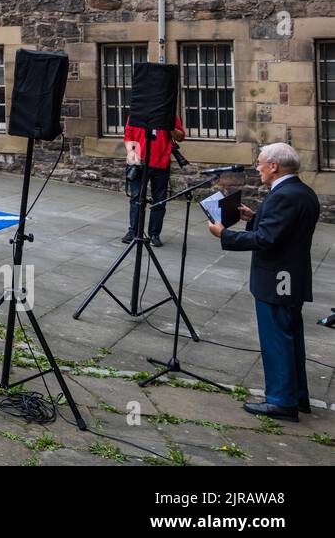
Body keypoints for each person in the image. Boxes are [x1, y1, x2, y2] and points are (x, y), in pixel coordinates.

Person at [209, 143, 319, 420]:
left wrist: (224, 235)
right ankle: (298, 396)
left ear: (274, 166)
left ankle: (281, 401)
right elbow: (282, 229)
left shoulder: (284, 196)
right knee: (291, 336)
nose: (257, 168)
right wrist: (255, 217)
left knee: (277, 339)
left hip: (278, 277)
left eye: (260, 163)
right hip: (292, 275)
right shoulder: (302, 191)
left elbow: (267, 240)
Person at [122, 112, 186, 248]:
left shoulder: (168, 113)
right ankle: (133, 232)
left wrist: (170, 128)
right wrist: (132, 154)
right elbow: (128, 136)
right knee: (136, 198)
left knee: (159, 201)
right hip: (139, 162)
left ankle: (154, 234)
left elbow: (180, 136)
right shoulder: (136, 112)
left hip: (161, 164)